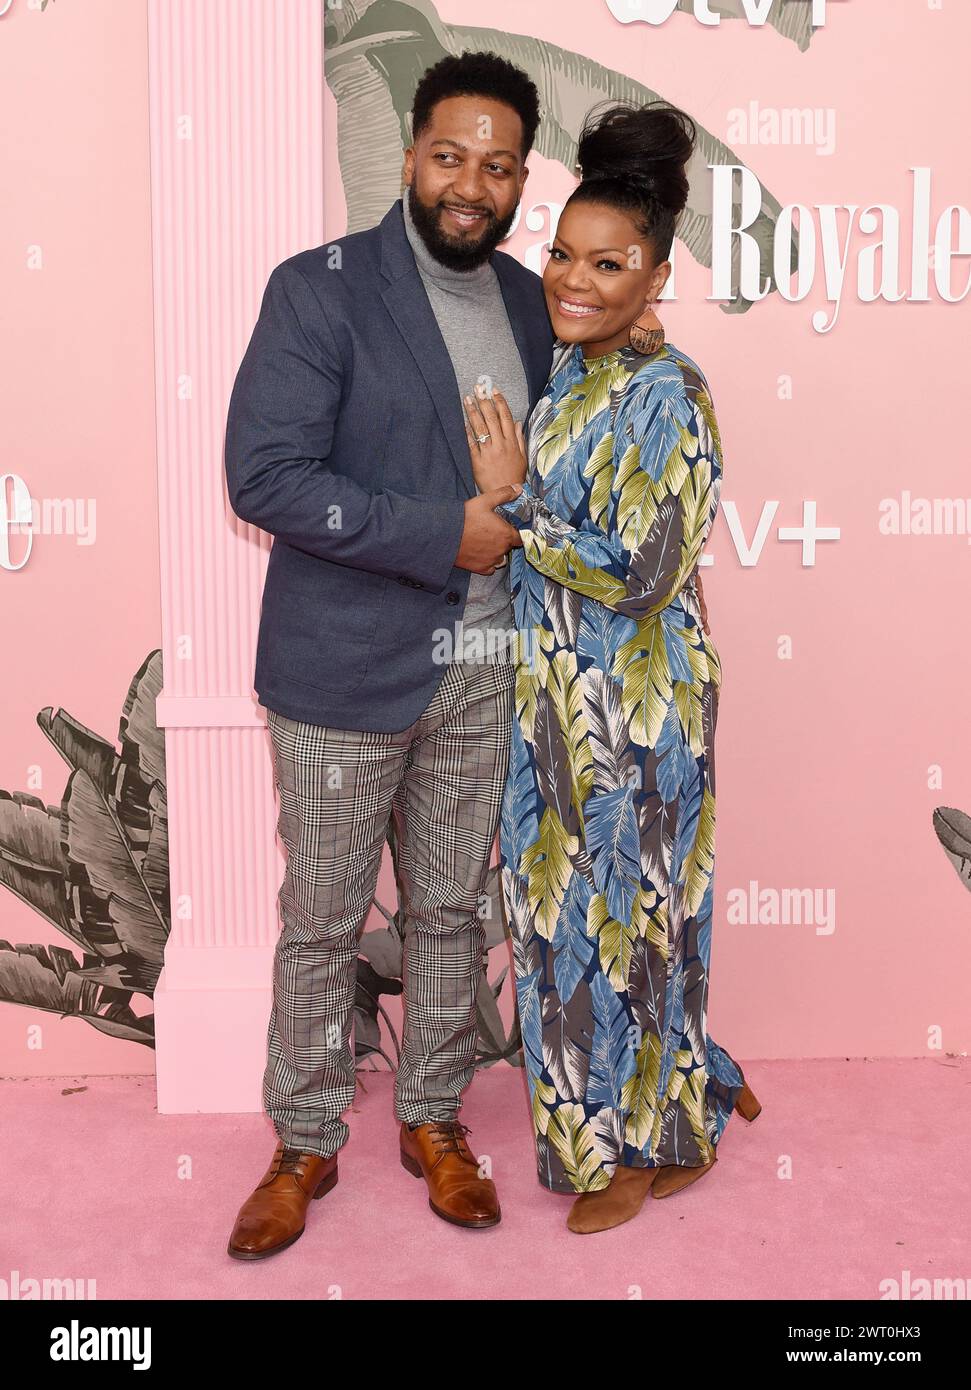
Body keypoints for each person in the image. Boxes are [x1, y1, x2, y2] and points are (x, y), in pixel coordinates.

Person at [223, 51, 554, 1259]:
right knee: (319, 918)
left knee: (450, 915)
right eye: (452, 155)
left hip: (483, 667)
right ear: (411, 152)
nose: (473, 184)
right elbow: (263, 477)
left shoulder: (528, 303)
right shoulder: (317, 290)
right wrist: (446, 532)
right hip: (339, 673)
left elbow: (545, 478)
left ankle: (432, 1120)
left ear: (523, 177)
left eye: (499, 164)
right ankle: (303, 1137)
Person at [462, 100, 761, 1235]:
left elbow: (640, 569)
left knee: (637, 928)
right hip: (548, 697)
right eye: (564, 254)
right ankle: (652, 1119)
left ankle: (642, 1148)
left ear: (654, 275)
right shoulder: (578, 372)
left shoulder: (669, 392)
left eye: (609, 264)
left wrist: (513, 502)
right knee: (554, 920)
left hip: (639, 705)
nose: (573, 280)